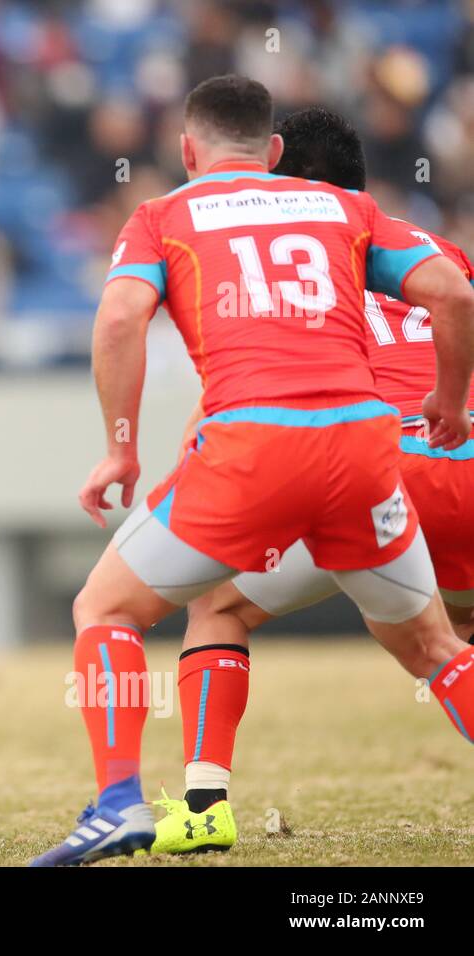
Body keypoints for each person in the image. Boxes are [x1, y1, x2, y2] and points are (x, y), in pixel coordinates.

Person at [31, 76, 474, 867]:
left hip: (255, 448)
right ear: (270, 155)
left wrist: (122, 447)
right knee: (441, 649)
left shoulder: (165, 214)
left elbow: (122, 315)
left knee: (107, 609)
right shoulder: (354, 214)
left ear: (186, 150)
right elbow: (450, 291)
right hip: (371, 453)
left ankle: (121, 803)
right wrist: (447, 400)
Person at [153, 106, 474, 855]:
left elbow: (242, 399)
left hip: (373, 471)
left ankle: (204, 804)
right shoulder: (438, 250)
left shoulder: (269, 262)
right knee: (452, 638)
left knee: (217, 604)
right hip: (464, 462)